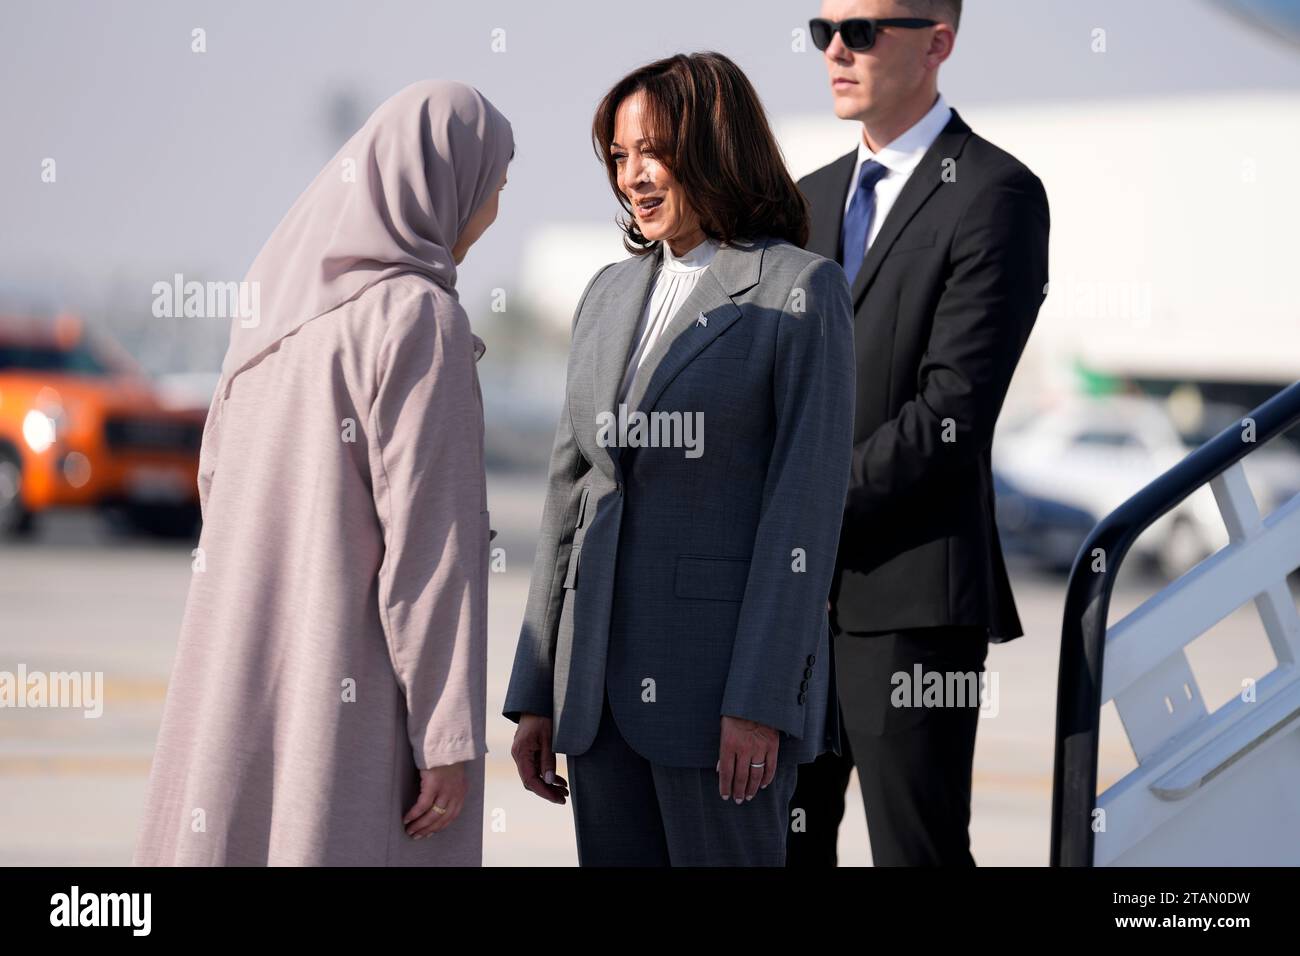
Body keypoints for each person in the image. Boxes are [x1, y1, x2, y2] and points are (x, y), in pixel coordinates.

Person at [132, 80, 513, 865]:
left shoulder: (274, 315)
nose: (492, 212)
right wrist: (445, 735)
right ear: (446, 181)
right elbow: (428, 547)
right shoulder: (418, 319)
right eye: (494, 186)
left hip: (238, 664)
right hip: (350, 682)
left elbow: (215, 488)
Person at [503, 51, 855, 866]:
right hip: (595, 702)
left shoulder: (800, 290)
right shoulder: (605, 294)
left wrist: (762, 701)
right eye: (619, 157)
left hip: (720, 704)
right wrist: (536, 691)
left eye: (652, 151)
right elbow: (570, 498)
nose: (633, 177)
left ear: (717, 145)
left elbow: (801, 514)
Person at [787, 0, 1050, 866]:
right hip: (787, 607)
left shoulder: (996, 194)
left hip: (911, 602)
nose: (835, 49)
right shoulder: (805, 202)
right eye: (821, 29)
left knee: (917, 855)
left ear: (938, 43)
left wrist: (803, 508)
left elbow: (951, 415)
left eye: (861, 32)